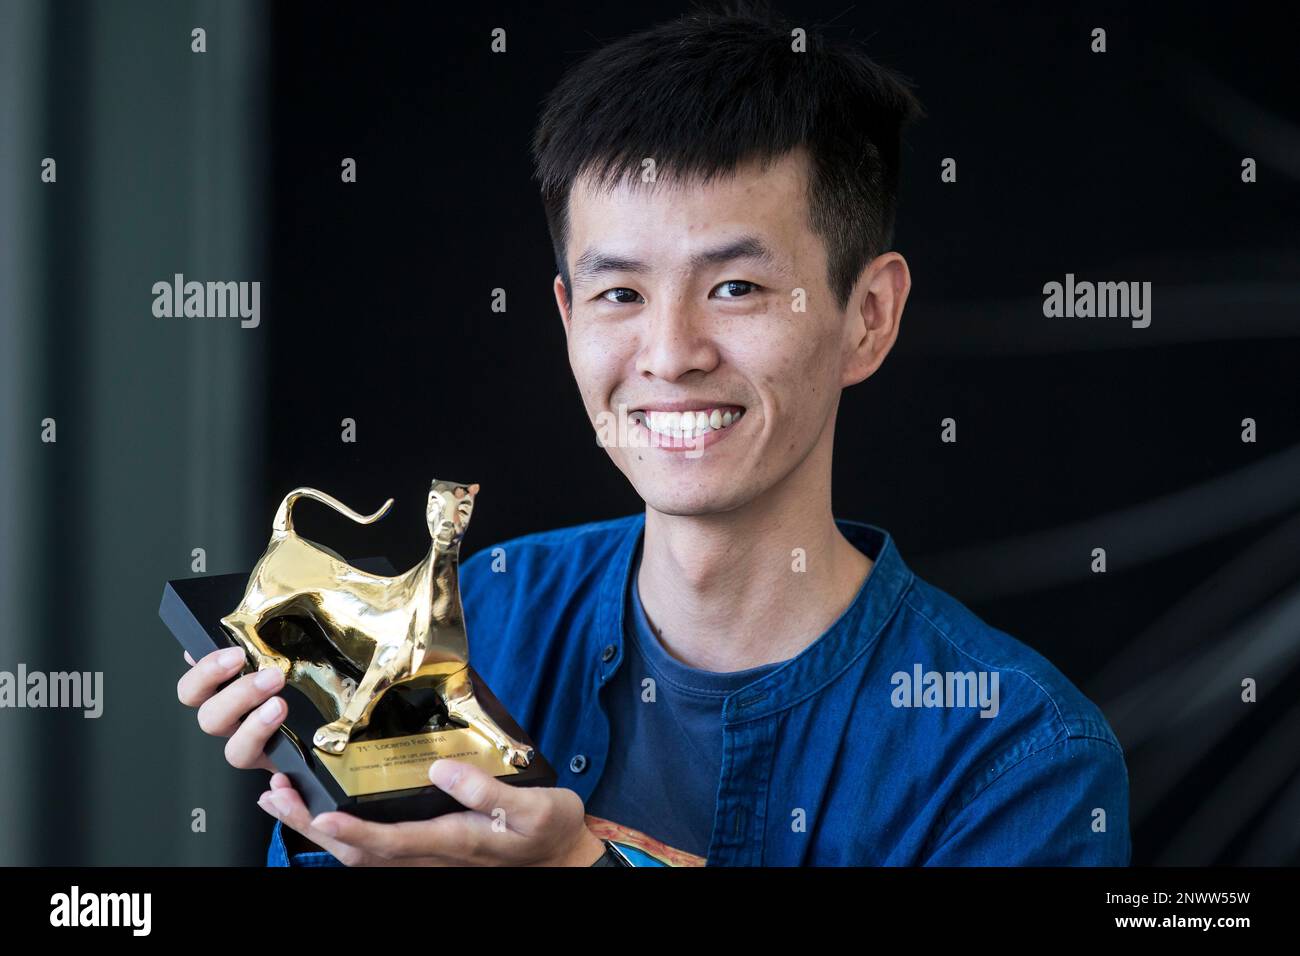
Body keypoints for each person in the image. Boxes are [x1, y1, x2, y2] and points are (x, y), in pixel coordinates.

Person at [177, 2, 1131, 867]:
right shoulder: (486, 623)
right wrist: (330, 811)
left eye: (737, 288)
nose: (669, 354)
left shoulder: (1018, 756)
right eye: (620, 293)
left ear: (869, 317)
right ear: (565, 317)